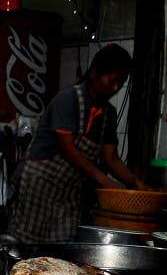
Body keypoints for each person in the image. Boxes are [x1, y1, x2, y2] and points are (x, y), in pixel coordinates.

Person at [9, 43, 148, 244]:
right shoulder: (68, 99)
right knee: (27, 248)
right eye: (112, 80)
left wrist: (136, 185)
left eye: (121, 82)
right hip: (39, 184)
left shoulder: (108, 113)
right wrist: (107, 183)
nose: (116, 88)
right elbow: (68, 150)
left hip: (69, 192)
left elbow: (112, 159)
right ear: (94, 73)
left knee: (61, 251)